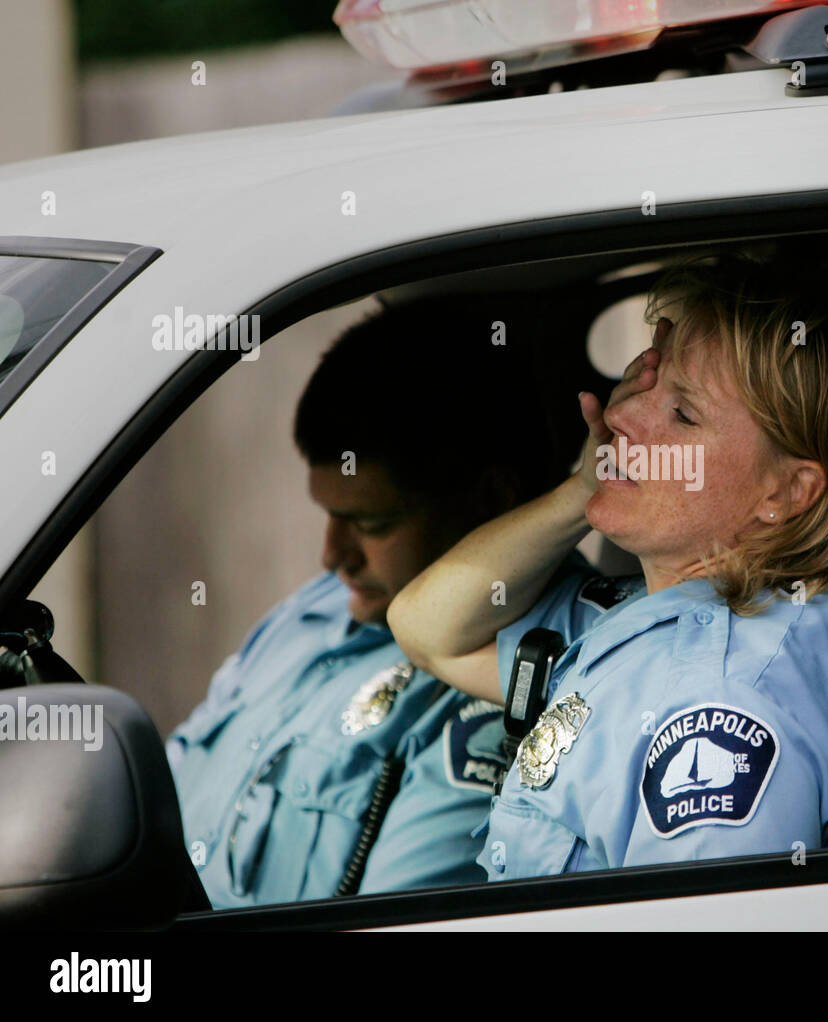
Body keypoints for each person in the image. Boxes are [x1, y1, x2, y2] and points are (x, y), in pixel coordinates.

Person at [388, 254, 828, 880]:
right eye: (647, 382)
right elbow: (427, 629)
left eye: (683, 414)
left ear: (785, 494)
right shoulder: (663, 612)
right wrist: (581, 491)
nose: (622, 415)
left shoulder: (719, 707)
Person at [166, 299, 561, 906]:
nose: (332, 555)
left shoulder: (513, 689)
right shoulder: (313, 612)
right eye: (329, 517)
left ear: (490, 499)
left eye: (371, 523)